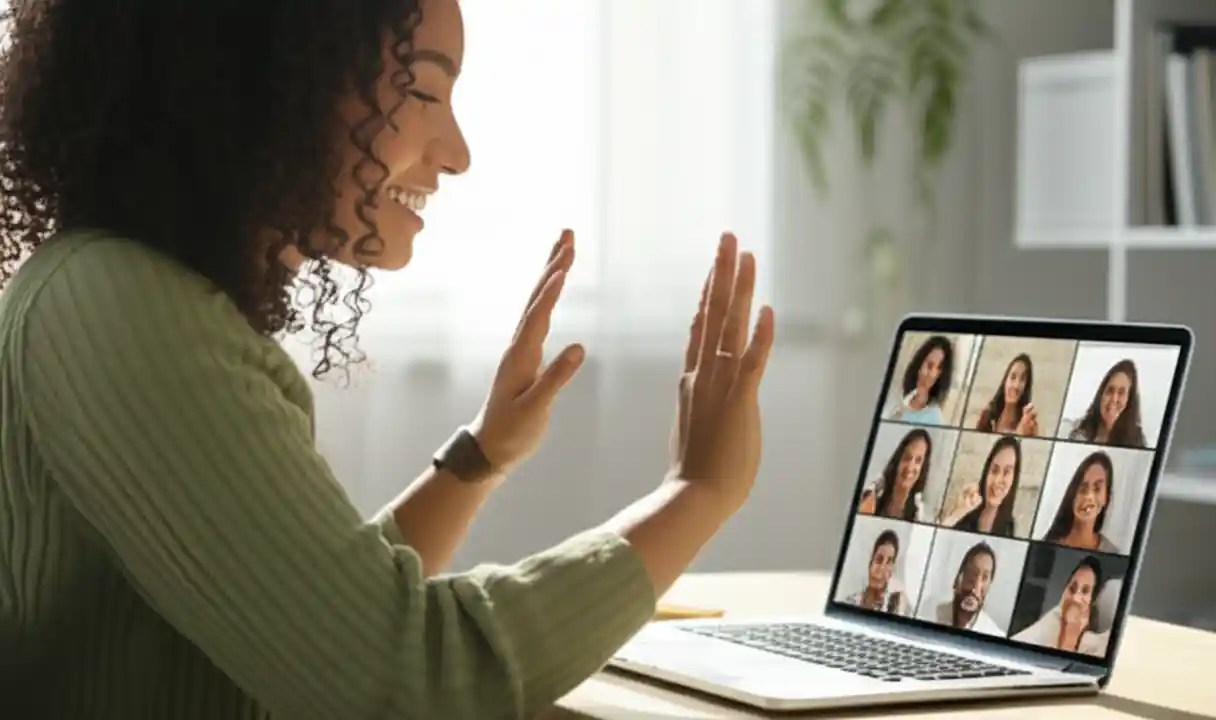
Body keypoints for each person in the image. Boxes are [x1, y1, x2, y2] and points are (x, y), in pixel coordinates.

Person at [0, 1, 777, 718]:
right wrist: (697, 492)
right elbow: (402, 678)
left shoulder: (121, 294)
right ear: (277, 80)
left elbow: (312, 616)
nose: (458, 153)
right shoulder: (123, 310)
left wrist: (478, 457)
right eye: (427, 93)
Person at [1013, 557, 1110, 657]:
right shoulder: (1053, 619)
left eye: (1085, 591)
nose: (1076, 598)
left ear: (1092, 602)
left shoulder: (1097, 644)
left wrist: (1072, 628)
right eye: (1072, 588)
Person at [939, 435, 1021, 537]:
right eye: (994, 471)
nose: (997, 480)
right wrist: (958, 513)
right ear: (986, 472)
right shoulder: (966, 506)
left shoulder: (1009, 527)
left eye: (1007, 472)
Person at [1042, 452, 1120, 553]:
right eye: (1083, 488)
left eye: (1097, 488)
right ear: (1072, 494)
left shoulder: (1112, 552)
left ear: (1106, 498)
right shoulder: (1047, 546)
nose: (1089, 496)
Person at [1060, 359, 1148, 447]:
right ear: (1101, 395)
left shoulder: (1138, 441)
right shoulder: (1077, 431)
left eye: (1121, 393)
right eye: (1110, 391)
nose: (1114, 399)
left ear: (1129, 400)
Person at [857, 428, 934, 522]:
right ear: (898, 459)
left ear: (923, 468)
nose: (910, 467)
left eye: (918, 461)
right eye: (907, 458)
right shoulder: (872, 497)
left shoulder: (919, 517)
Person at [928, 542, 1003, 636]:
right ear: (959, 578)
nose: (976, 586)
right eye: (972, 574)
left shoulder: (994, 634)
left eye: (985, 577)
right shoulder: (935, 613)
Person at [885, 335, 954, 426]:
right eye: (922, 363)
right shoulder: (896, 398)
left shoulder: (934, 419)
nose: (923, 371)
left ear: (939, 375)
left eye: (930, 367)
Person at [843, 530, 913, 616]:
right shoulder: (851, 602)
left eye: (888, 562)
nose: (882, 569)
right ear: (870, 563)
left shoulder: (899, 603)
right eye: (879, 559)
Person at [974, 353, 1039, 436]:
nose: (1016, 385)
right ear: (1005, 380)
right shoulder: (988, 415)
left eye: (1022, 379)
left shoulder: (1027, 423)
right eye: (1013, 377)